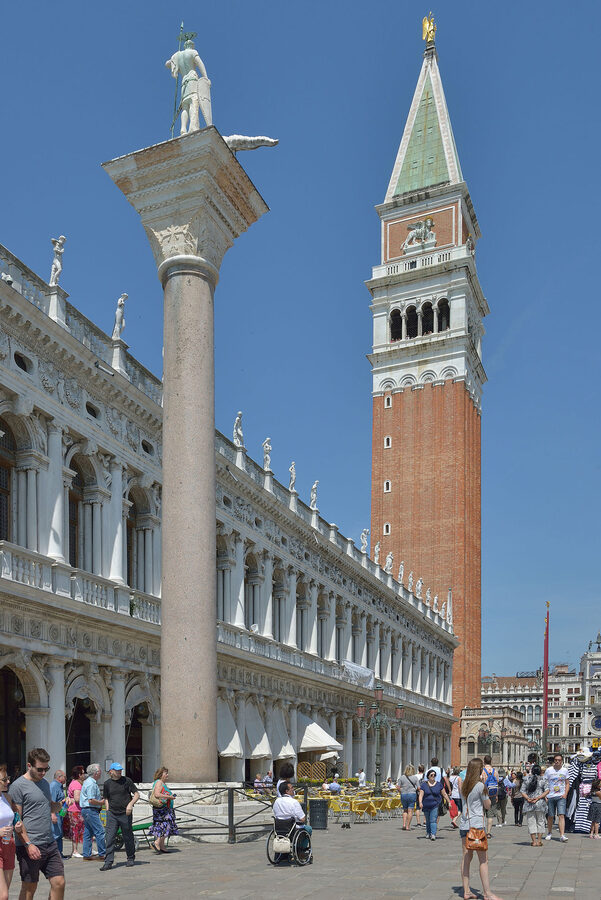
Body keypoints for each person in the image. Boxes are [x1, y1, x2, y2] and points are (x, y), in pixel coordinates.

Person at [8, 747, 65, 900]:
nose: (43, 773)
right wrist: (28, 844)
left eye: (46, 769)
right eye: (40, 769)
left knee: (59, 882)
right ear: (29, 766)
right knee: (29, 888)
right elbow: (16, 819)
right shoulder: (18, 786)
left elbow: (47, 805)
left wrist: (59, 805)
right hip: (30, 844)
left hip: (49, 842)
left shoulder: (45, 784)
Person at [459, 757, 503, 900]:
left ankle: (466, 891)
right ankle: (487, 893)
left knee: (466, 857)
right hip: (476, 825)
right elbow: (488, 805)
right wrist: (484, 784)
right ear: (479, 770)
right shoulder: (480, 786)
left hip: (464, 825)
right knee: (483, 860)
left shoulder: (463, 785)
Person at [99, 763, 139, 871]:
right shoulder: (107, 783)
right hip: (112, 813)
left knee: (127, 836)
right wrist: (107, 810)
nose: (119, 772)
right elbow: (106, 798)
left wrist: (130, 805)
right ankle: (108, 861)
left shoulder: (127, 781)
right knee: (110, 837)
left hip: (125, 813)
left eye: (120, 770)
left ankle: (130, 857)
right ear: (111, 771)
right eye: (117, 770)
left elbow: (136, 794)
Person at [0, 764, 25, 900]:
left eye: (8, 778)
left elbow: (15, 817)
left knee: (5, 891)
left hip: (9, 844)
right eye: (4, 779)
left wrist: (18, 824)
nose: (8, 781)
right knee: (3, 895)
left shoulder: (7, 798)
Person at [149, 766, 178, 854]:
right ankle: (157, 842)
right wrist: (170, 797)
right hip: (162, 809)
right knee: (166, 825)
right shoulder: (159, 782)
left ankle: (161, 845)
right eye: (166, 773)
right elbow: (157, 794)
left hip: (165, 808)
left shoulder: (162, 783)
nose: (167, 775)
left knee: (164, 825)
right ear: (161, 774)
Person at [79, 764, 105, 861]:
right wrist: (101, 802)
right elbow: (91, 800)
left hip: (86, 809)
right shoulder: (91, 784)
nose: (101, 772)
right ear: (96, 773)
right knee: (100, 831)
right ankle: (102, 853)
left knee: (88, 832)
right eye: (99, 771)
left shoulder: (88, 782)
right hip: (90, 809)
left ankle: (87, 854)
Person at [521, 764, 549, 847]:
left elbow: (522, 791)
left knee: (531, 822)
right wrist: (538, 798)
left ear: (532, 771)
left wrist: (528, 798)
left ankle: (533, 841)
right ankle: (539, 841)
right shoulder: (544, 779)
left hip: (529, 804)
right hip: (540, 803)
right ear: (540, 771)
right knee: (541, 821)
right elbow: (547, 791)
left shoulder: (526, 779)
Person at [544, 753, 569, 842]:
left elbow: (567, 783)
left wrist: (565, 794)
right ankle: (549, 832)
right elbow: (545, 783)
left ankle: (562, 835)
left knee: (561, 815)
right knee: (550, 816)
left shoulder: (565, 770)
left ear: (562, 761)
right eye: (556, 760)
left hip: (561, 796)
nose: (557, 762)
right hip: (550, 796)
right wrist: (545, 795)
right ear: (554, 761)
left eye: (559, 760)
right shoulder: (549, 770)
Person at [418, 768, 449, 841]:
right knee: (428, 820)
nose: (433, 776)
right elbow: (421, 795)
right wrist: (420, 802)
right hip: (426, 805)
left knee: (433, 820)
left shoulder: (439, 784)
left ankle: (433, 834)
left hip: (435, 805)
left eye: (434, 775)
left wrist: (449, 802)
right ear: (428, 776)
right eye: (431, 775)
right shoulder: (424, 785)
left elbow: (444, 794)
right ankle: (428, 832)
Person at [66, 766, 85, 858]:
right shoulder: (77, 784)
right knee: (76, 830)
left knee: (78, 830)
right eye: (83, 773)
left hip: (75, 810)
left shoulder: (74, 783)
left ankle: (76, 850)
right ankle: (75, 850)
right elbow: (77, 798)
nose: (84, 775)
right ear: (79, 775)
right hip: (75, 811)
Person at [48, 772, 66, 859]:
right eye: (64, 777)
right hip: (56, 813)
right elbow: (52, 802)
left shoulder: (59, 786)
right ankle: (55, 855)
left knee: (59, 834)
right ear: (59, 777)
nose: (66, 778)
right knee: (55, 834)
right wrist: (52, 814)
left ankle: (59, 854)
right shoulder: (54, 786)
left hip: (60, 813)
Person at [398, 765, 420, 830]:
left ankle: (404, 824)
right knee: (410, 810)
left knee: (405, 810)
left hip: (404, 794)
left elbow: (398, 787)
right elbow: (419, 787)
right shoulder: (415, 778)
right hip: (412, 794)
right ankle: (408, 826)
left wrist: (401, 791)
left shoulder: (402, 777)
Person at [482, 756, 498, 837]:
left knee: (482, 814)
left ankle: (481, 831)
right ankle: (488, 833)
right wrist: (496, 795)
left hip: (482, 794)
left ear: (484, 761)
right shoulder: (495, 771)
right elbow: (497, 782)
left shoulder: (481, 770)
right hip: (492, 794)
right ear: (491, 761)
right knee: (490, 814)